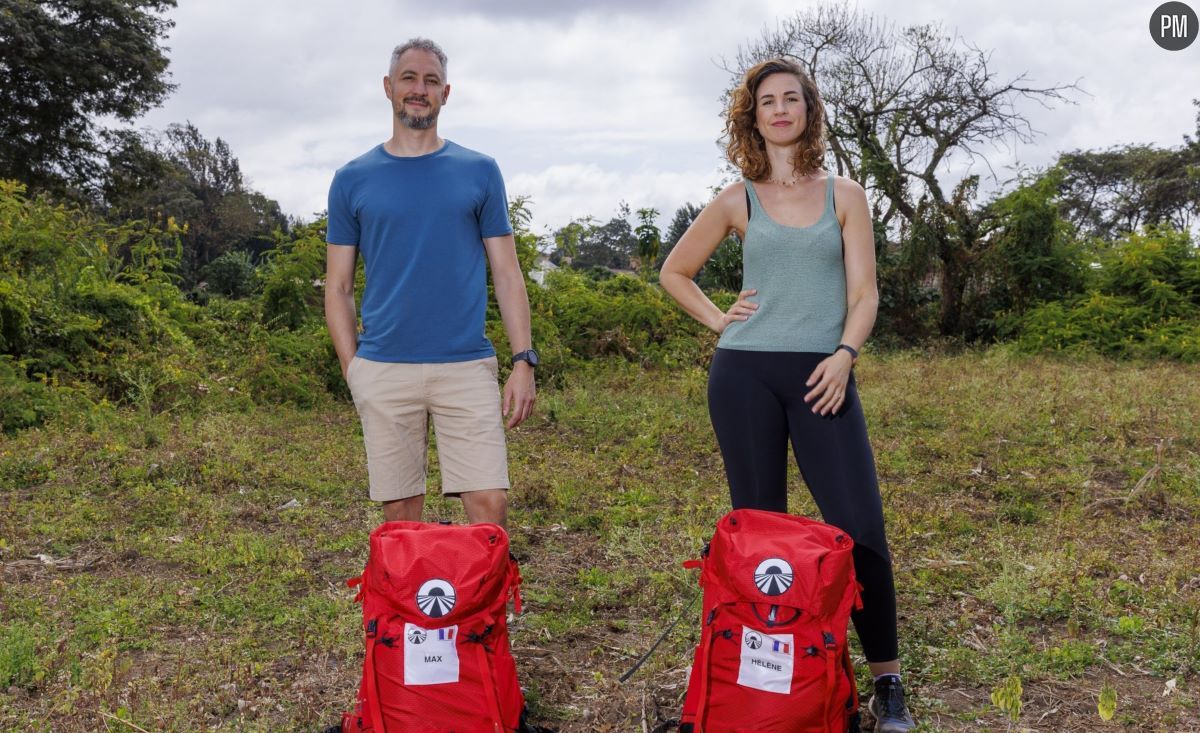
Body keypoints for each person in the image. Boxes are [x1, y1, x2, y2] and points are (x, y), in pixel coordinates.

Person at [659, 58, 916, 732]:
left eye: (791, 98)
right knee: (760, 534)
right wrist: (719, 319)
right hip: (744, 376)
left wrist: (844, 355)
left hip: (822, 375)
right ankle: (764, 679)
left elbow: (864, 294)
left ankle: (888, 681)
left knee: (859, 526)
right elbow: (675, 272)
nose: (779, 109)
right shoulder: (737, 198)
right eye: (767, 100)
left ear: (808, 110)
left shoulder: (845, 195)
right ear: (753, 115)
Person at [324, 38, 536, 529]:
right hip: (383, 367)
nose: (420, 89)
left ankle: (485, 609)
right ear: (388, 88)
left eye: (431, 81)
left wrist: (523, 359)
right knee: (400, 517)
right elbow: (337, 287)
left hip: (465, 365)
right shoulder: (352, 179)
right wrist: (352, 368)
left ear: (446, 93)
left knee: (489, 509)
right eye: (409, 78)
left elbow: (507, 273)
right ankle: (407, 610)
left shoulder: (479, 171)